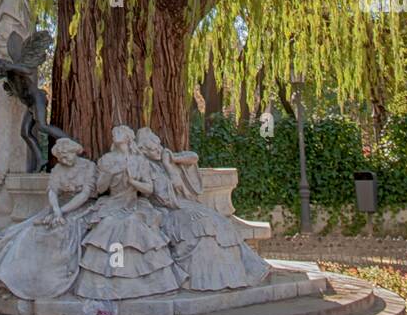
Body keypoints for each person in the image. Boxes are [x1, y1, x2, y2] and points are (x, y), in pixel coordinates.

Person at [136, 127, 270, 291]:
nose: (157, 150)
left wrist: (172, 159)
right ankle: (205, 280)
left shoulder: (165, 159)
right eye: (152, 148)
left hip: (185, 205)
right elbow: (166, 197)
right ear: (142, 150)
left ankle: (241, 272)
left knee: (220, 221)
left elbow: (193, 157)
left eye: (158, 146)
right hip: (169, 210)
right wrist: (168, 166)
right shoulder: (146, 168)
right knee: (202, 225)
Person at [0, 137, 96, 299]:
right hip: (57, 208)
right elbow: (53, 192)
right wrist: (56, 210)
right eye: (61, 158)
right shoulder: (58, 169)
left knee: (60, 231)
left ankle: (45, 281)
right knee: (24, 232)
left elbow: (85, 195)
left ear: (75, 152)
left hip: (82, 208)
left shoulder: (88, 167)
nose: (64, 160)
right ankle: (8, 277)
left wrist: (61, 212)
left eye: (67, 156)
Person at [75, 125, 187, 300]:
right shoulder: (106, 160)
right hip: (112, 203)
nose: (115, 135)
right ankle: (110, 280)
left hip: (134, 204)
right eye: (114, 133)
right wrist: (108, 175)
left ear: (128, 138)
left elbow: (149, 189)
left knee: (134, 224)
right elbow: (100, 188)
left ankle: (139, 282)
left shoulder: (139, 161)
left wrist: (134, 182)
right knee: (108, 225)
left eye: (119, 132)